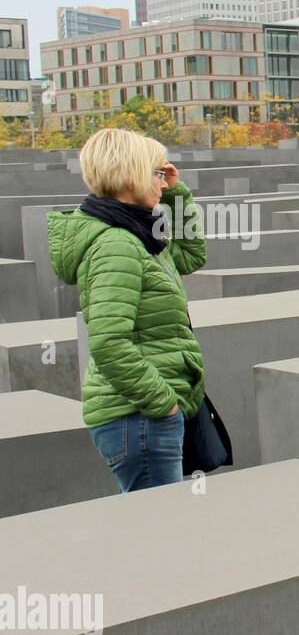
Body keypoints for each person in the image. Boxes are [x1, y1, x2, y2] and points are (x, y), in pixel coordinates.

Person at [47, 128, 207, 492]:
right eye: (157, 174)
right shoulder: (116, 244)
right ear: (132, 175)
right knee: (158, 534)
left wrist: (178, 196)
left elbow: (191, 255)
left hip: (143, 415)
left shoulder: (138, 233)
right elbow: (107, 343)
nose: (163, 184)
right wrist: (164, 403)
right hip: (139, 417)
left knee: (158, 528)